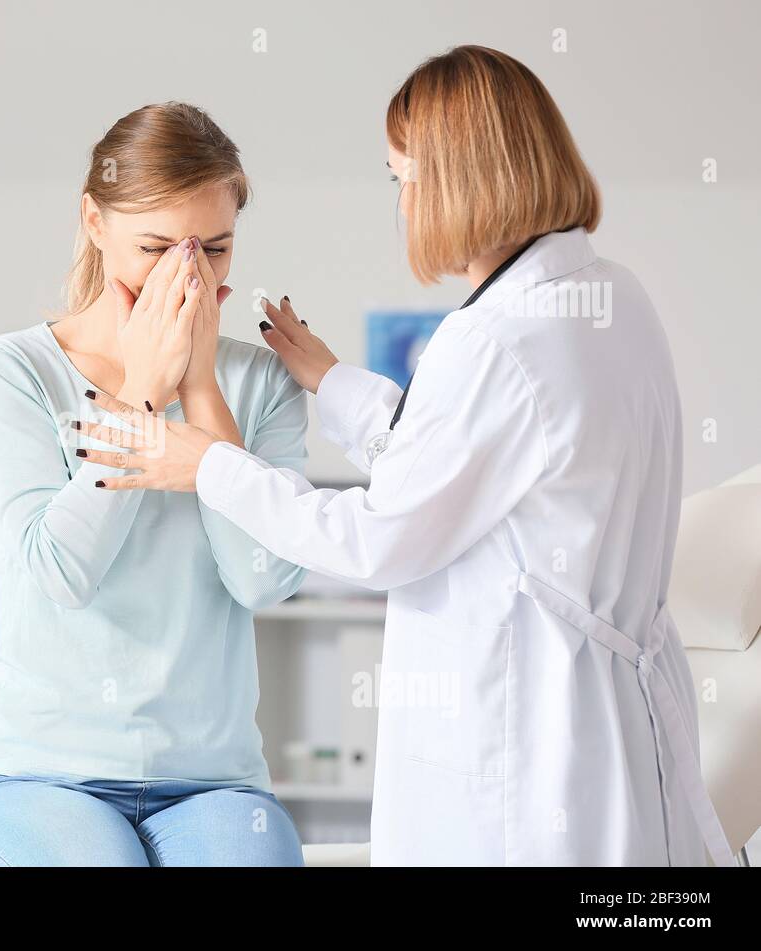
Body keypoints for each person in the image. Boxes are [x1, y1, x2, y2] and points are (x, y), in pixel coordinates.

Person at [79, 48, 733, 866]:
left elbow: (383, 537)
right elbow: (474, 467)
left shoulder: (497, 340)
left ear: (450, 182)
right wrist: (334, 382)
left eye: (401, 179)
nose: (402, 203)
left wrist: (206, 465)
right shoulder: (607, 298)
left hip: (530, 742)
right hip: (605, 724)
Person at [0, 103, 307, 866]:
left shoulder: (262, 380)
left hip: (216, 785)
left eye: (215, 248)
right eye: (155, 247)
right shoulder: (10, 371)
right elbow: (60, 574)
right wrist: (143, 388)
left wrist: (201, 387)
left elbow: (264, 579)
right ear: (93, 222)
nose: (190, 274)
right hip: (38, 777)